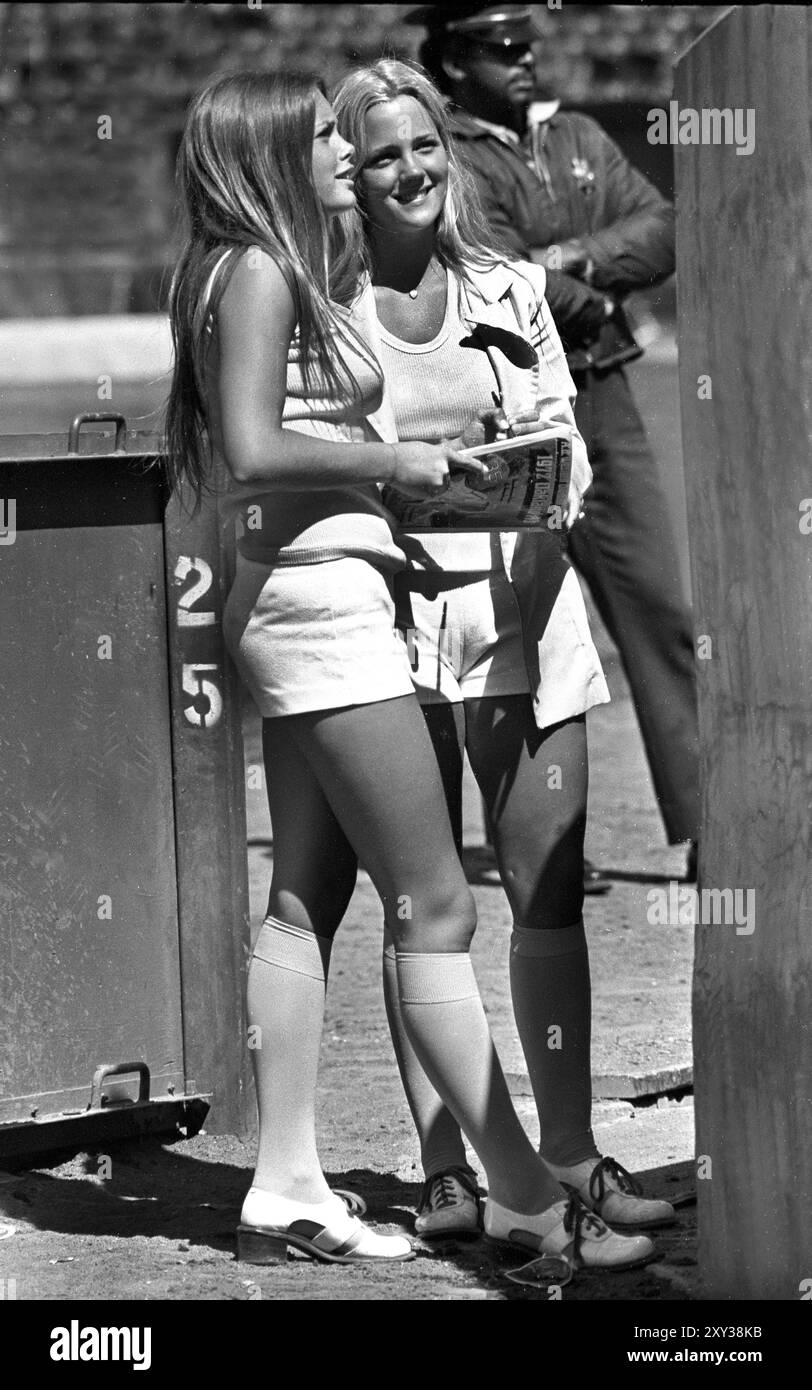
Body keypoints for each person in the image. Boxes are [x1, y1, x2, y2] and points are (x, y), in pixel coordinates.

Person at [165, 69, 655, 1272]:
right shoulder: (275, 269)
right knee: (435, 905)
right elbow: (245, 445)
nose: (351, 153)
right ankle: (527, 1198)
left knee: (305, 895)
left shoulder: (236, 266)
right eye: (332, 136)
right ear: (279, 150)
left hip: (311, 593)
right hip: (330, 605)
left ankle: (285, 1181)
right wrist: (401, 462)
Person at [332, 57, 676, 1242]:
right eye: (382, 154)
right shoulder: (325, 306)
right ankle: (444, 1169)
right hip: (392, 627)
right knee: (420, 904)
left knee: (544, 894)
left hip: (526, 607)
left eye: (423, 146)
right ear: (348, 170)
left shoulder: (505, 286)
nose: (412, 171)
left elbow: (568, 452)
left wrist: (524, 459)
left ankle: (569, 1150)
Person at [406, 3, 700, 886]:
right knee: (518, 622)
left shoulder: (573, 134)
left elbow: (664, 231)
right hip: (505, 407)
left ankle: (711, 825)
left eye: (527, 43)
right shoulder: (445, 153)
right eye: (502, 47)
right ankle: (541, 844)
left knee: (657, 605)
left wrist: (567, 261)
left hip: (599, 392)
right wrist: (581, 281)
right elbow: (494, 273)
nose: (525, 57)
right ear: (455, 59)